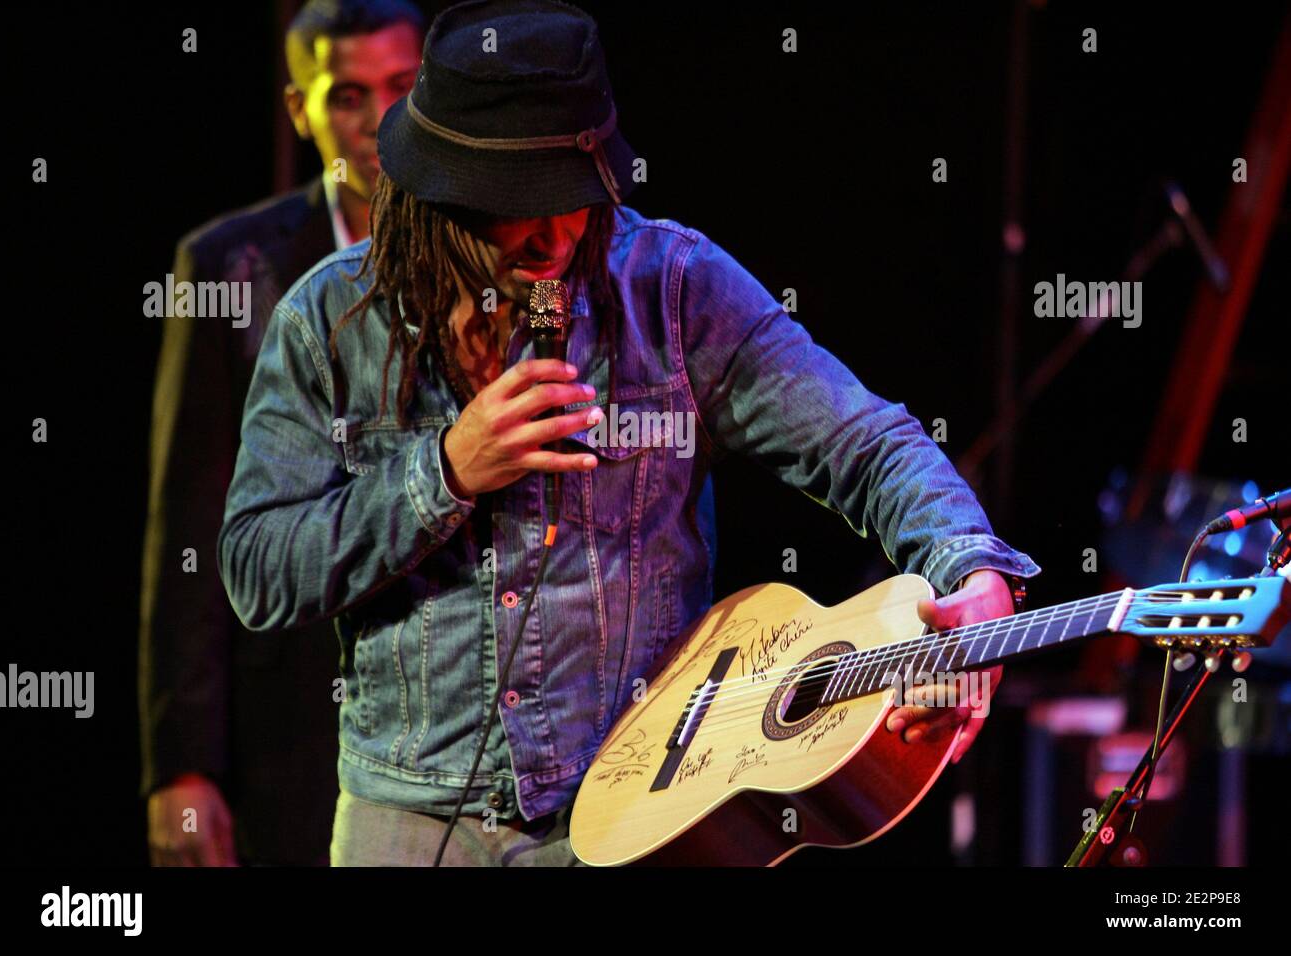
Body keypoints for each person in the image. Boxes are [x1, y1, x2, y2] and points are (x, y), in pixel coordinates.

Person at [217, 0, 1040, 867]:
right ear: (444, 196)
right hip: (408, 820)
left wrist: (971, 566)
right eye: (519, 203)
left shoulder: (675, 286)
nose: (558, 232)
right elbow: (258, 571)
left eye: (574, 197)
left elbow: (865, 444)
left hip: (636, 808)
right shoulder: (329, 316)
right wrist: (445, 473)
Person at [139, 0, 428, 866]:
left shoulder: (497, 243)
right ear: (300, 109)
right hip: (292, 713)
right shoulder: (235, 266)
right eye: (346, 95)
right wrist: (181, 764)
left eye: (402, 87)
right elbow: (188, 520)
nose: (377, 121)